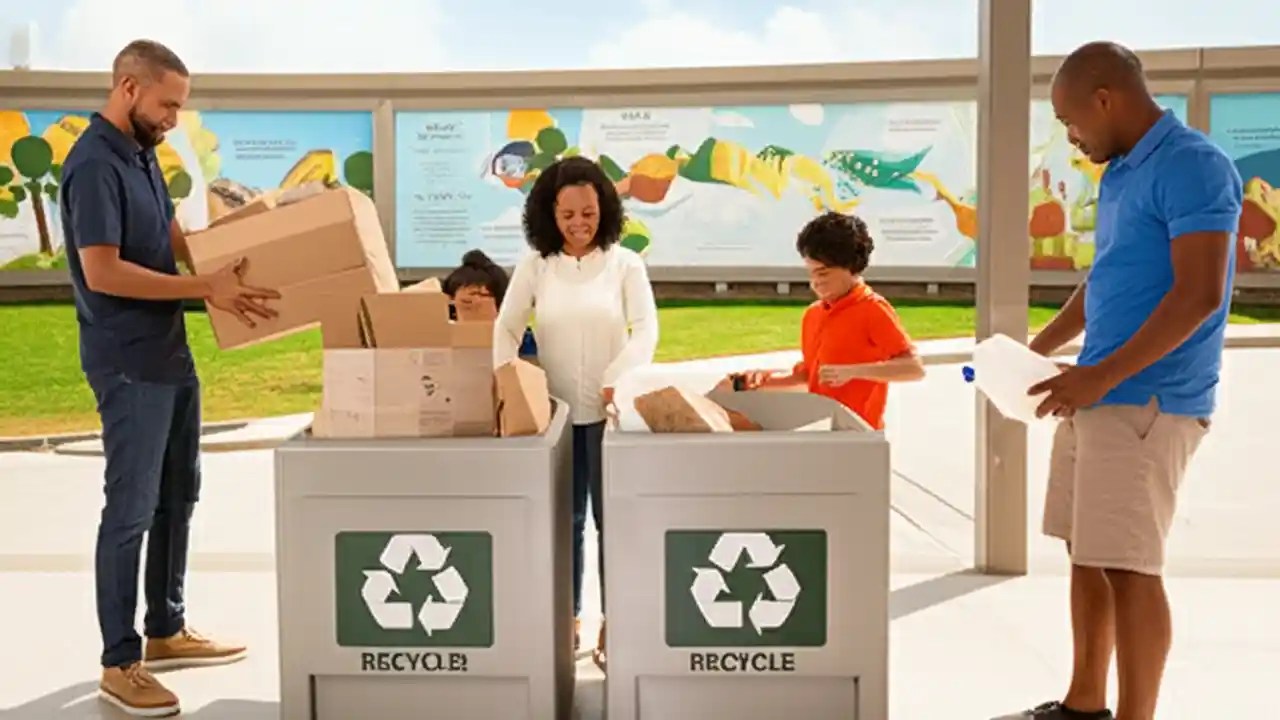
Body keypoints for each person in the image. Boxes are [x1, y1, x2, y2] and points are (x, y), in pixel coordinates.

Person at [994, 42, 1243, 720]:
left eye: (1070, 120)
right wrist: (1032, 351)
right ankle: (1083, 706)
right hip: (1100, 392)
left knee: (1131, 565)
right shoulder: (1121, 173)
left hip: (1149, 401)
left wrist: (1100, 377)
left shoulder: (1194, 166)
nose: (1070, 136)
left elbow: (1198, 296)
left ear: (1105, 98)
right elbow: (1104, 280)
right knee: (1089, 553)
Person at [61, 39, 280, 717]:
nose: (174, 119)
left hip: (170, 354)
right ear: (128, 87)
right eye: (168, 104)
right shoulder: (93, 164)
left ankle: (165, 629)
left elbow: (171, 232)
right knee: (129, 511)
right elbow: (103, 270)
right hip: (128, 361)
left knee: (178, 495)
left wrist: (227, 247)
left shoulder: (142, 152)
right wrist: (199, 285)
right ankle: (119, 661)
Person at [494, 156, 659, 670]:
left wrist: (618, 378)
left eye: (588, 212)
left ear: (604, 209)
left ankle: (619, 623)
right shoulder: (535, 266)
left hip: (610, 418)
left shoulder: (626, 264)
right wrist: (514, 385)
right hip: (556, 420)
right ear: (549, 215)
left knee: (616, 523)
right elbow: (505, 329)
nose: (579, 224)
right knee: (565, 523)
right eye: (567, 215)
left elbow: (646, 332)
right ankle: (567, 619)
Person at [725, 211, 924, 429]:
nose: (815, 283)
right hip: (823, 429)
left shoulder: (873, 309)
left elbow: (914, 368)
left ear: (851, 268)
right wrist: (761, 381)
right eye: (811, 274)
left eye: (823, 273)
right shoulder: (813, 314)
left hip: (861, 435)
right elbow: (809, 376)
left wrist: (854, 372)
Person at [443, 249, 537, 359]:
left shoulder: (526, 341)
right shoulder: (441, 342)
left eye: (482, 295)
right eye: (466, 302)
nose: (476, 303)